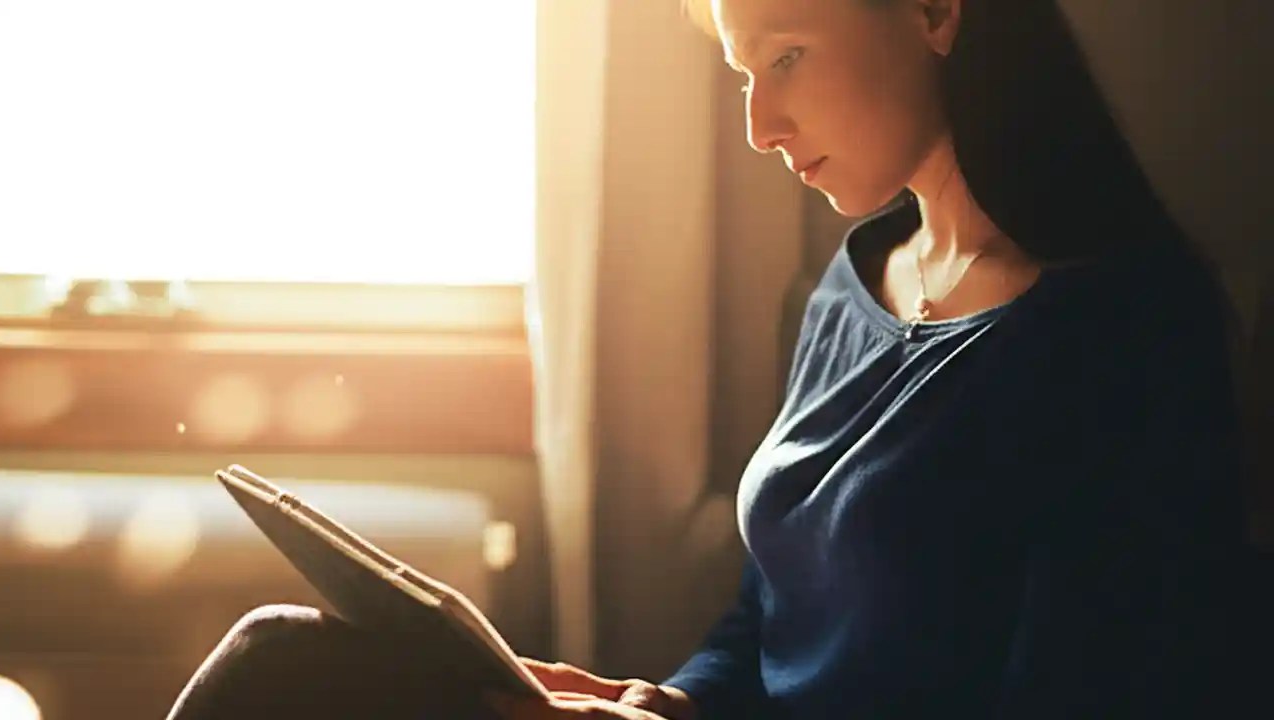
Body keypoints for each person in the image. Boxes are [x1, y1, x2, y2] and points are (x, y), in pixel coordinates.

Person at [166, 0, 1255, 718]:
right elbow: (771, 618)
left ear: (932, 9)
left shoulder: (1122, 335)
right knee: (286, 661)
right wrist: (661, 705)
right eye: (740, 72)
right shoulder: (855, 283)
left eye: (784, 57)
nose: (758, 125)